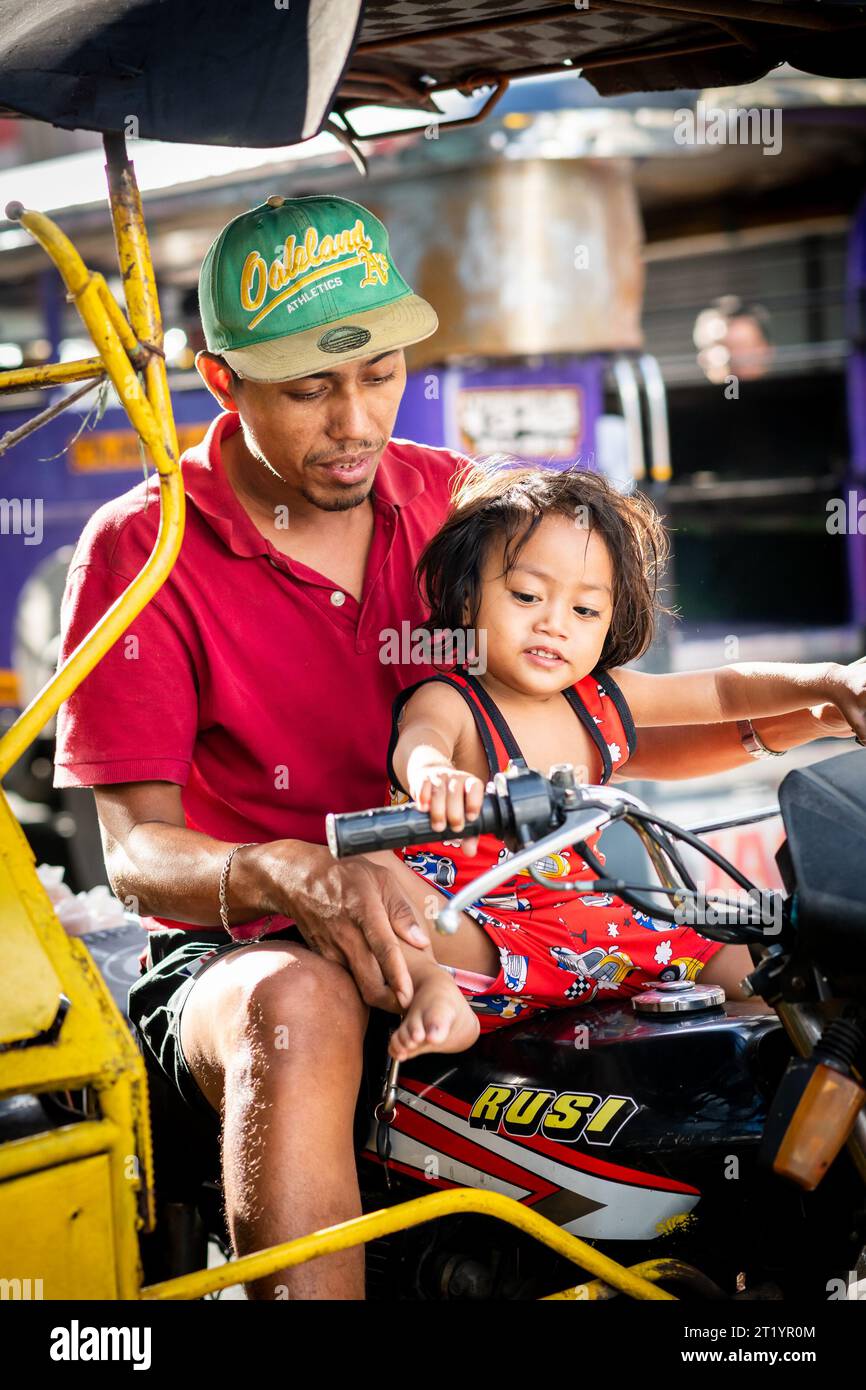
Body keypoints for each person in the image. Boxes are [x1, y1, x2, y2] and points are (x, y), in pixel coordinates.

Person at [53, 193, 859, 1300]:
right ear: (222, 381)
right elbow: (137, 851)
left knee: (776, 974)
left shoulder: (448, 499)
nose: (354, 421)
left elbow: (579, 722)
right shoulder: (142, 547)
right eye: (309, 389)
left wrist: (826, 702)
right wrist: (292, 868)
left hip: (491, 894)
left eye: (378, 374)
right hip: (246, 946)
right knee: (302, 1008)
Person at [363, 463, 866, 1062]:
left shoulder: (600, 696)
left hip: (597, 926)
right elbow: (418, 742)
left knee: (772, 961)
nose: (553, 623)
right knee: (367, 871)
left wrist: (832, 682)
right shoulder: (452, 698)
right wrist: (433, 778)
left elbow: (725, 691)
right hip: (482, 927)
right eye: (526, 596)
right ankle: (430, 994)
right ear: (468, 598)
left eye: (585, 611)